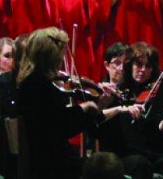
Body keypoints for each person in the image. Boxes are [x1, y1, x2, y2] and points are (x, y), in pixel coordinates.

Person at [16, 27, 102, 179]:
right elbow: (61, 126)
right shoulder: (40, 86)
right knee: (105, 167)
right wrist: (83, 109)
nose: (63, 59)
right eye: (61, 53)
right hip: (49, 164)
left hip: (41, 157)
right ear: (52, 55)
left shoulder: (30, 82)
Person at [97, 42, 163, 179]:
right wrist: (117, 107)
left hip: (153, 153)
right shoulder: (115, 92)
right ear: (130, 66)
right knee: (141, 165)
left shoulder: (156, 94)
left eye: (148, 66)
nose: (143, 70)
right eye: (139, 65)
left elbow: (161, 132)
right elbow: (96, 124)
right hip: (122, 154)